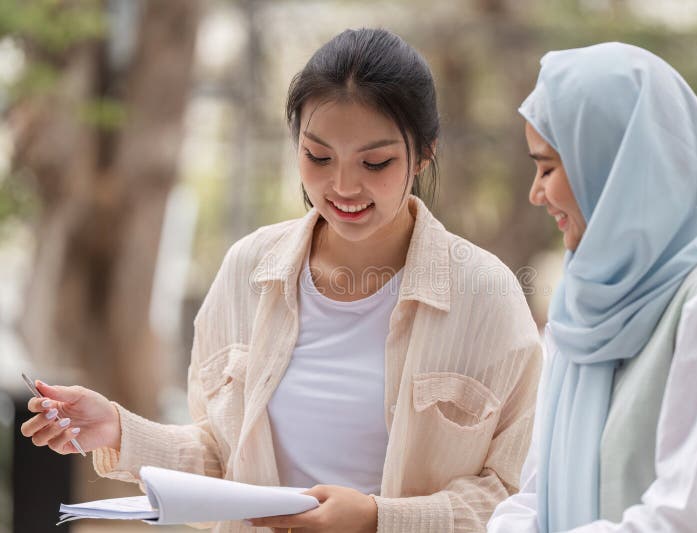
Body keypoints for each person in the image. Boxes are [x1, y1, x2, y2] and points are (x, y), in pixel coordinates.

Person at [20, 28, 542, 533]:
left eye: (376, 162)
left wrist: (376, 520)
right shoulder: (248, 270)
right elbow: (223, 465)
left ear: (424, 152)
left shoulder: (486, 295)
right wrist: (116, 428)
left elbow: (515, 497)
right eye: (318, 156)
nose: (343, 186)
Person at [487, 42, 697, 533]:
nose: (535, 193)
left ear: (617, 167)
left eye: (548, 168)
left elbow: (689, 519)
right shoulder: (581, 309)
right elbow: (536, 496)